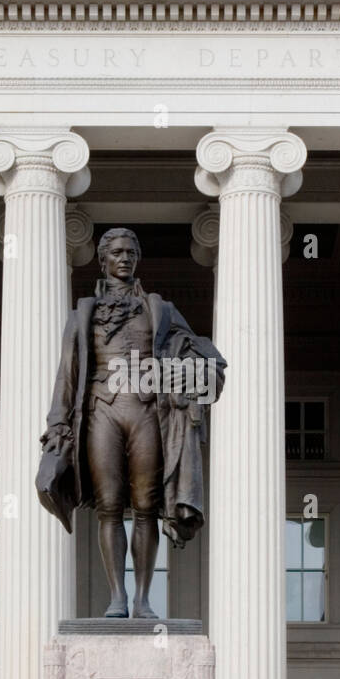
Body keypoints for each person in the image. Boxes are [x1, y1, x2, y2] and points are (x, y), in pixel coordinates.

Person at [37, 228, 225, 619]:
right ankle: (117, 598)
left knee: (144, 507)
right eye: (117, 252)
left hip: (146, 409)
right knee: (108, 507)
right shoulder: (82, 313)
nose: (125, 259)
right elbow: (67, 376)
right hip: (100, 409)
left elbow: (201, 353)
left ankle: (142, 600)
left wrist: (190, 377)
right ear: (103, 259)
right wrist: (57, 426)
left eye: (131, 253)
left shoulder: (161, 309)